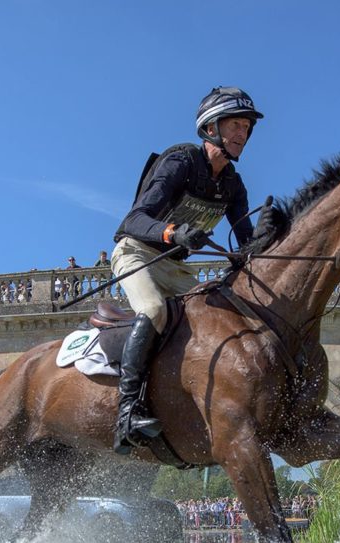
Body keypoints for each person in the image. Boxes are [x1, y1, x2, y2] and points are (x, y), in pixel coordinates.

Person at [110, 86, 265, 454]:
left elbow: (245, 245)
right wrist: (173, 232)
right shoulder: (180, 162)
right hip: (137, 255)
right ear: (211, 128)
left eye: (246, 127)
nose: (242, 134)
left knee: (205, 329)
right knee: (153, 310)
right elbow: (133, 220)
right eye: (236, 126)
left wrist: (270, 234)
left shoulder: (232, 184)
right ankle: (127, 411)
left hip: (175, 269)